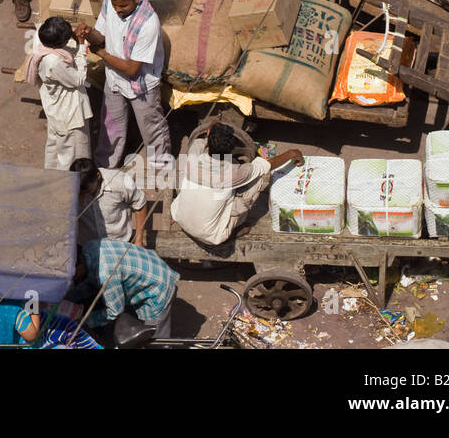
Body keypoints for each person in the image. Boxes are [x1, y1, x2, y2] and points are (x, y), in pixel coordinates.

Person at [78, 0, 171, 169]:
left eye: (123, 6)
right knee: (110, 126)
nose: (118, 10)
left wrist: (102, 53)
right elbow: (101, 35)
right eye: (115, 5)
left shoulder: (148, 23)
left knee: (151, 129)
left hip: (141, 86)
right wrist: (88, 34)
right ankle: (106, 165)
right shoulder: (109, 1)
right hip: (113, 80)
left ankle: (161, 167)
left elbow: (131, 68)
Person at [171, 122, 304, 246]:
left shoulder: (193, 157)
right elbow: (266, 165)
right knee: (257, 180)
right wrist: (291, 153)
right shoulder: (233, 173)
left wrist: (213, 131)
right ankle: (235, 228)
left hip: (180, 218)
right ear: (231, 150)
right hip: (211, 236)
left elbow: (198, 142)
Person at [67, 238, 180, 338]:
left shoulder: (105, 273)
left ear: (80, 262)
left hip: (159, 285)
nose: (72, 278)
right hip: (150, 266)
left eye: (73, 274)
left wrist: (82, 321)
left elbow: (114, 311)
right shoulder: (89, 247)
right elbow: (90, 283)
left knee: (154, 338)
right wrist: (68, 298)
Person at [28, 16, 94, 170]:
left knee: (55, 146)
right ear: (60, 43)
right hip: (69, 114)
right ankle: (70, 185)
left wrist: (73, 35)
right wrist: (81, 46)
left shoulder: (42, 37)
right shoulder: (54, 62)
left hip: (55, 110)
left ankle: (51, 176)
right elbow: (78, 79)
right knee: (72, 155)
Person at [72, 157, 150, 247]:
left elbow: (140, 204)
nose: (83, 195)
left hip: (119, 244)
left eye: (87, 190)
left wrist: (138, 241)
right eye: (80, 191)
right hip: (85, 245)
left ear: (98, 176)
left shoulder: (120, 181)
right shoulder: (68, 184)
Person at [0, 296, 100, 348]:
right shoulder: (12, 310)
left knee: (63, 324)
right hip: (24, 342)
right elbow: (32, 336)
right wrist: (34, 304)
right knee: (65, 327)